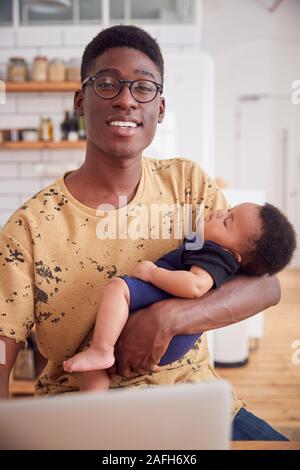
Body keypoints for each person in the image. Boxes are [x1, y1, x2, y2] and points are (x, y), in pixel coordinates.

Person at [0, 25, 287, 441]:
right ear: (80, 100)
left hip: (193, 401)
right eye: (108, 83)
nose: (125, 98)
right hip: (83, 416)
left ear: (162, 109)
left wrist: (171, 317)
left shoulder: (188, 185)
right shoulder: (30, 226)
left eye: (143, 87)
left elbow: (266, 287)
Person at [63, 202, 296, 392]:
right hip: (171, 340)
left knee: (118, 288)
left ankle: (101, 350)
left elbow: (195, 286)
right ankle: (92, 408)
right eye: (230, 210)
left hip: (165, 306)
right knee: (100, 369)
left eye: (227, 222)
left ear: (234, 255)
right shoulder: (214, 245)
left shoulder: (217, 253)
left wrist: (153, 273)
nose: (219, 212)